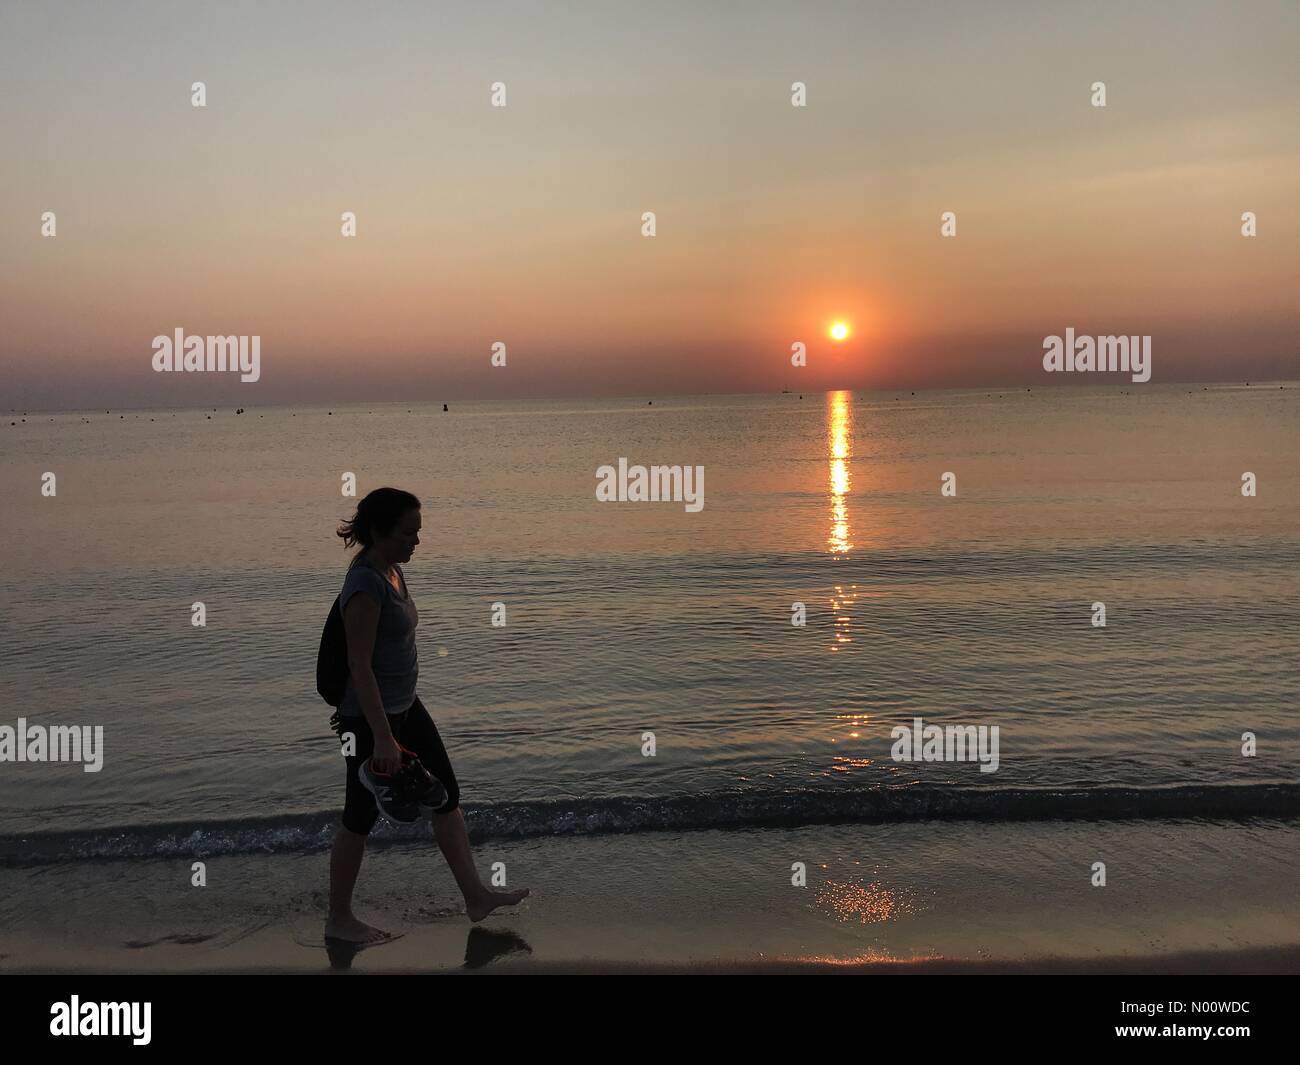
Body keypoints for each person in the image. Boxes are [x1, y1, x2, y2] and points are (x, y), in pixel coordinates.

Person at [324, 487, 528, 943]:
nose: (416, 541)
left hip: (406, 705)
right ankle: (338, 919)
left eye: (418, 532)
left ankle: (475, 896)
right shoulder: (364, 584)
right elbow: (359, 667)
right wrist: (382, 738)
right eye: (408, 533)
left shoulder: (392, 570)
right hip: (368, 719)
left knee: (446, 795)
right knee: (358, 815)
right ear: (378, 532)